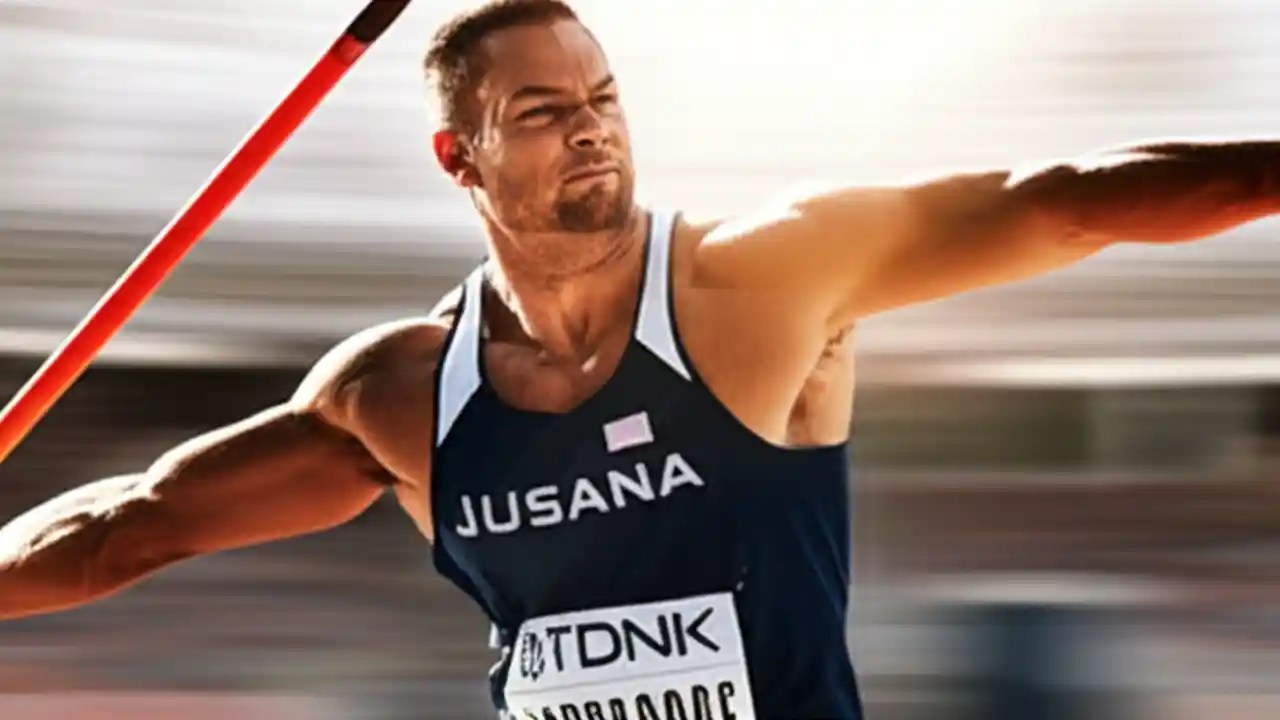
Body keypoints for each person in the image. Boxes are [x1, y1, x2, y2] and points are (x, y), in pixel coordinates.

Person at [2, 1, 1278, 717]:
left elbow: (1063, 199)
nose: (592, 136)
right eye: (543, 116)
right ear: (460, 159)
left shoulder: (758, 282)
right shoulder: (397, 394)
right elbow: (132, 524)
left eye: (603, 101)